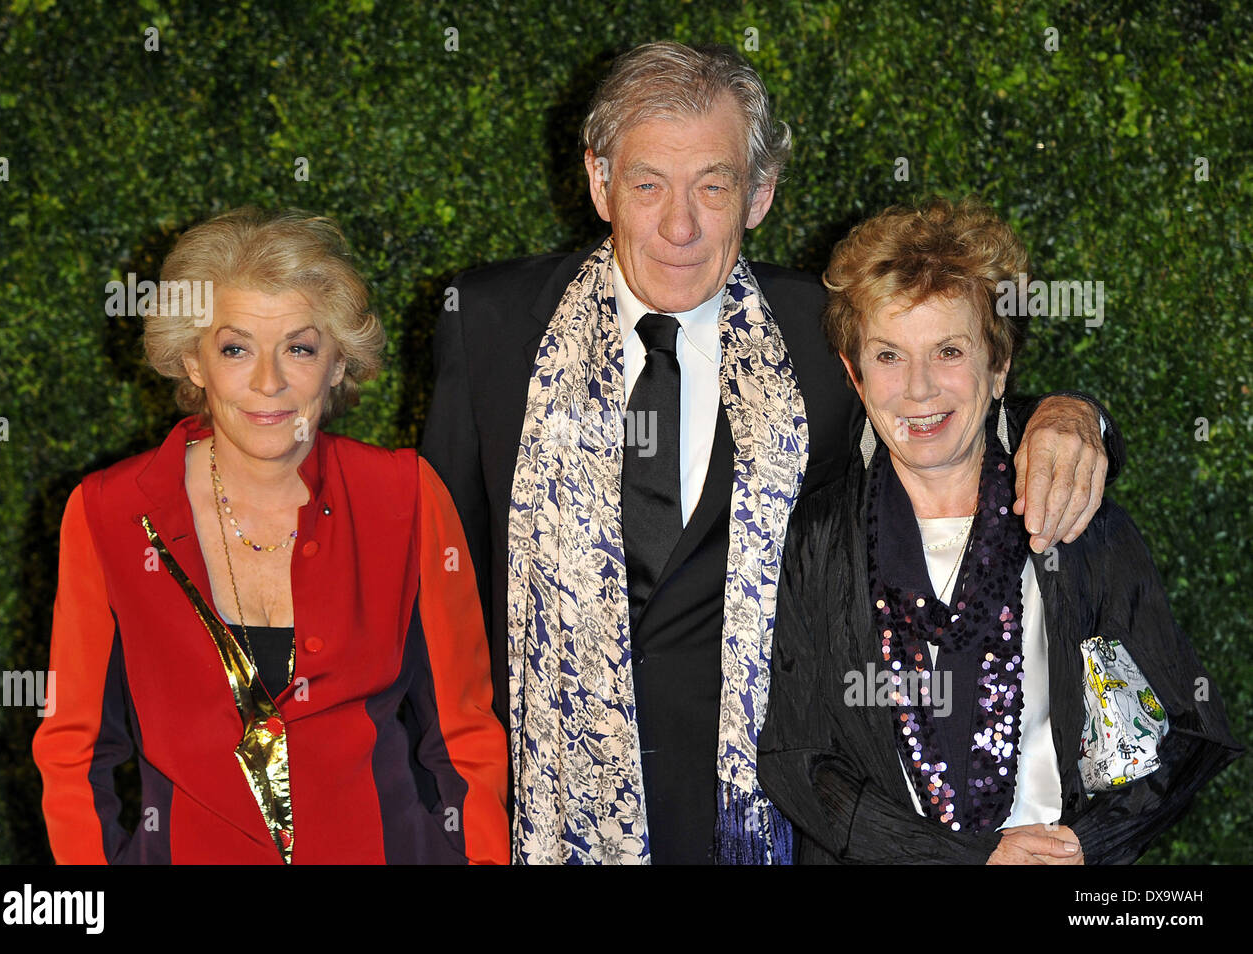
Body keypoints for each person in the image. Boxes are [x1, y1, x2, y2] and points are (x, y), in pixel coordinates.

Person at [422, 42, 1120, 865]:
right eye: (648, 185)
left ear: (759, 194)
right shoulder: (492, 323)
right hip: (544, 813)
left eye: (713, 186)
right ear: (599, 182)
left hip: (774, 821)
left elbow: (949, 405)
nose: (679, 226)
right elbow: (438, 572)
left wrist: (1073, 417)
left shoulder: (822, 336)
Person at [758, 197, 1241, 864]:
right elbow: (796, 758)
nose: (919, 389)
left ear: (999, 366)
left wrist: (1087, 843)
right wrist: (966, 859)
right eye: (889, 355)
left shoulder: (1074, 520)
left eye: (949, 351)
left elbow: (1185, 728)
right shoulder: (817, 534)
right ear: (854, 373)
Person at [33, 208, 509, 864]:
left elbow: (464, 741)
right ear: (192, 361)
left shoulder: (406, 497)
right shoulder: (107, 514)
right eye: (236, 349)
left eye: (299, 347)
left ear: (337, 363)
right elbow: (73, 753)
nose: (268, 382)